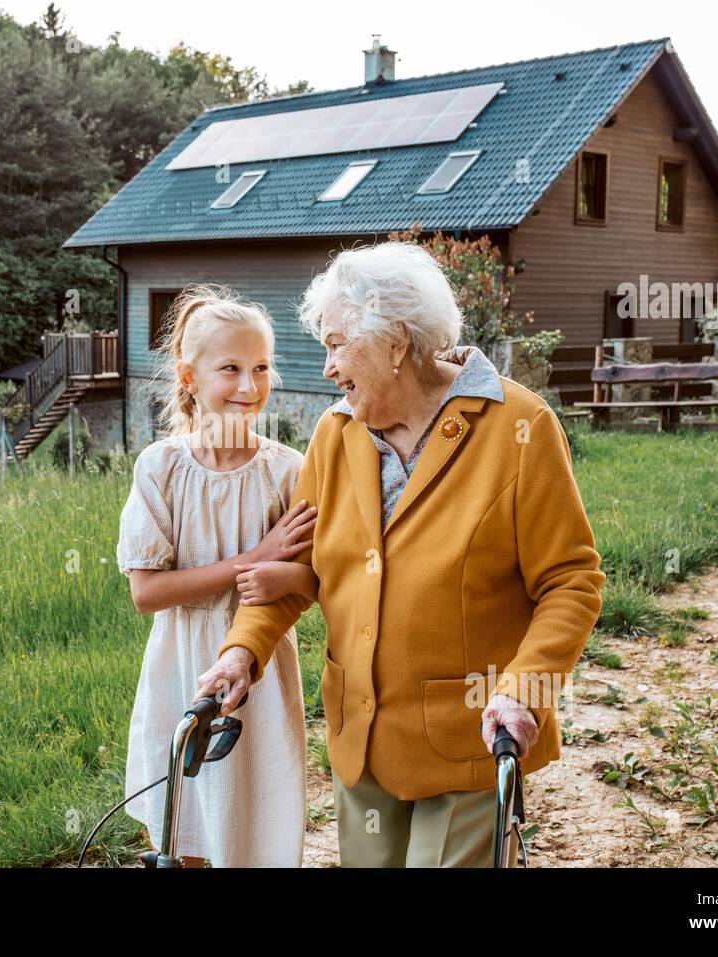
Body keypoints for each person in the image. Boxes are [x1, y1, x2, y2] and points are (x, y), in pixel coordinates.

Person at [195, 242, 606, 867]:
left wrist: (526, 688)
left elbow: (571, 581)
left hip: (471, 733)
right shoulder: (336, 435)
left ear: (395, 342)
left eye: (337, 344)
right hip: (361, 736)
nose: (328, 367)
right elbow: (301, 573)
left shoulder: (518, 426)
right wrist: (240, 651)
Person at [116, 284, 316, 867]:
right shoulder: (161, 468)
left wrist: (281, 572)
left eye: (260, 368)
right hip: (182, 666)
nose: (250, 386)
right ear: (189, 376)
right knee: (187, 827)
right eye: (230, 368)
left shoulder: (288, 471)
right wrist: (252, 559)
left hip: (262, 671)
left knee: (257, 828)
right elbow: (147, 592)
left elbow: (312, 584)